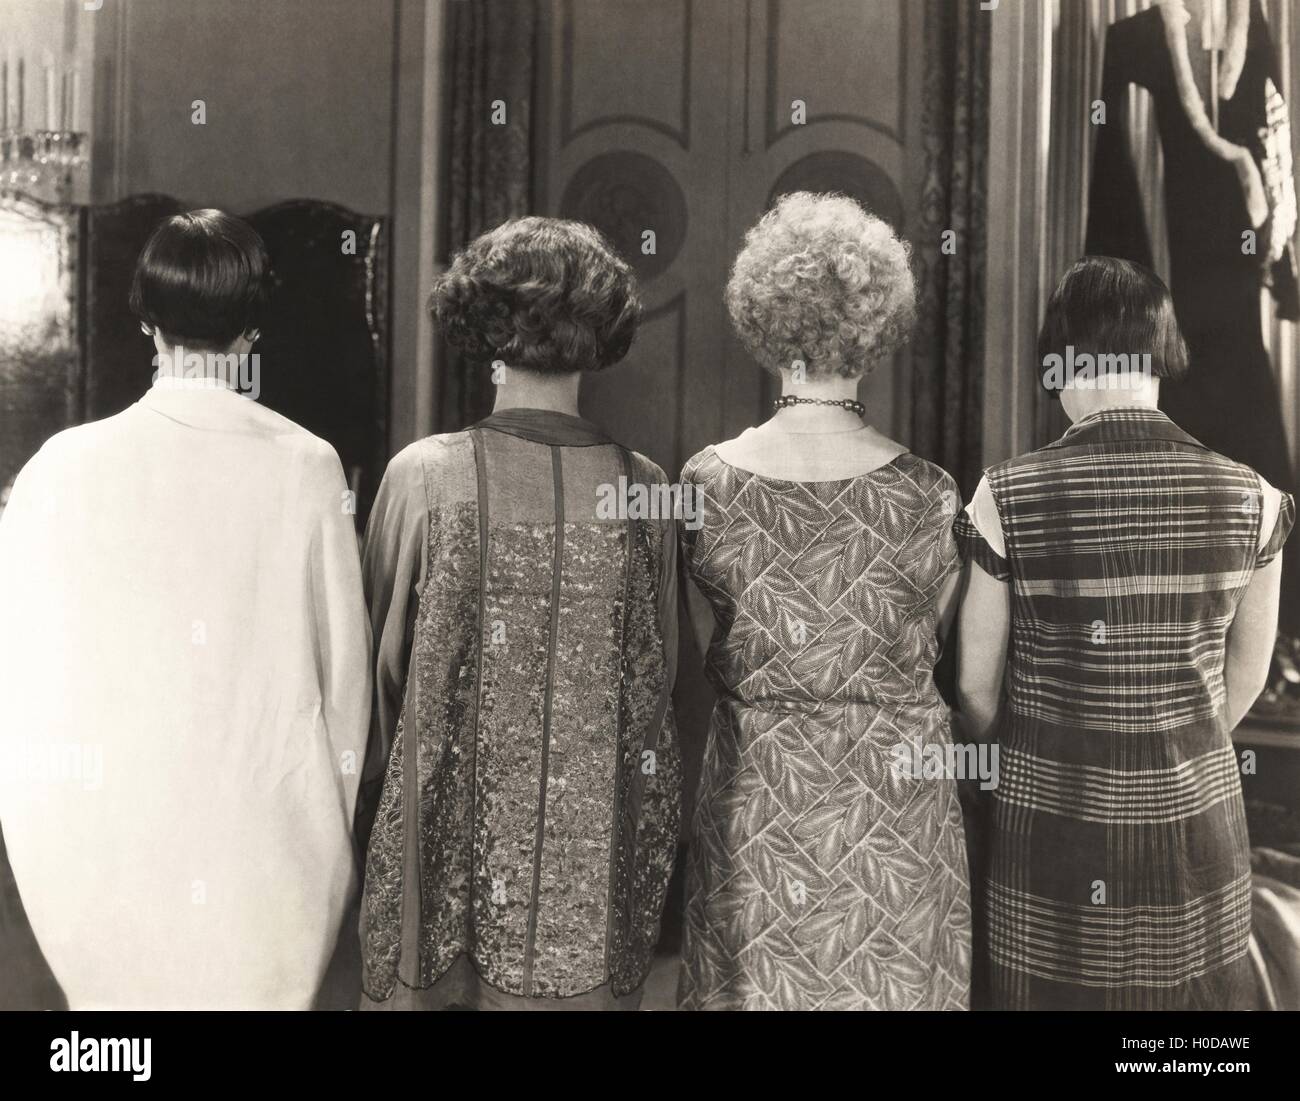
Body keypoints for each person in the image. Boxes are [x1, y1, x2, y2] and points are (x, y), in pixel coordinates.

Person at [0, 210, 370, 1009]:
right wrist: (321, 834)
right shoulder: (307, 466)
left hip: (101, 840)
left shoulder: (60, 468)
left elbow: (19, 674)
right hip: (263, 841)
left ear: (146, 325)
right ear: (249, 336)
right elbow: (345, 684)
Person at [357, 216, 681, 1010]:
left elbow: (382, 677)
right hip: (594, 878)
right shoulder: (646, 490)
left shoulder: (424, 477)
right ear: (599, 332)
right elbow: (657, 687)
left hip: (439, 858)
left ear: (484, 328)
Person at [956, 255, 1293, 1010]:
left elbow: (976, 688)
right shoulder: (1257, 498)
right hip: (1195, 822)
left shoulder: (1003, 494)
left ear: (1066, 358)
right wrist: (1174, 739)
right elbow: (1244, 677)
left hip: (1048, 823)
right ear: (1159, 358)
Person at [676, 192, 971, 1011]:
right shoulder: (930, 494)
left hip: (758, 808)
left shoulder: (707, 484)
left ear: (763, 320)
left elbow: (711, 651)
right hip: (896, 820)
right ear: (878, 328)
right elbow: (932, 644)